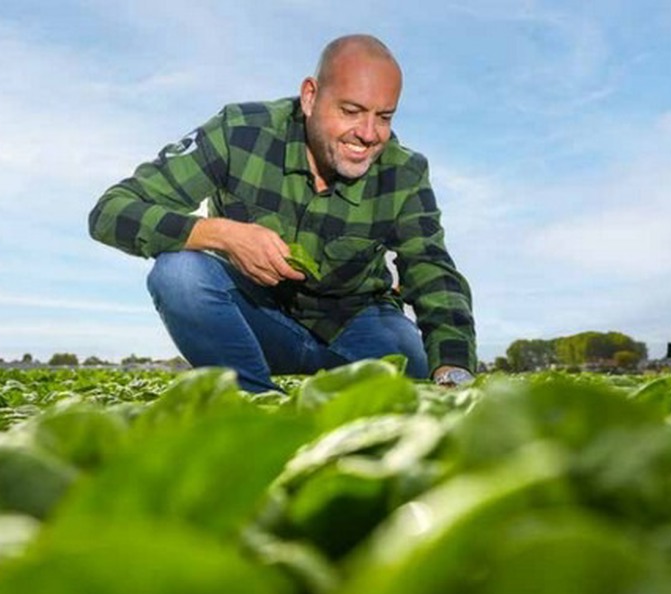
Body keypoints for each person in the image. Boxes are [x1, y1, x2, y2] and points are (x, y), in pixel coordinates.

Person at [88, 34, 476, 393]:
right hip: (257, 321)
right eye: (352, 111)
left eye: (385, 117)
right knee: (180, 274)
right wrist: (222, 234)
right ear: (310, 96)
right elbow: (112, 211)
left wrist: (454, 370)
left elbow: (432, 269)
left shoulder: (403, 172)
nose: (369, 133)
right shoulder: (239, 132)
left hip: (359, 324)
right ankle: (255, 402)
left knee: (414, 364)